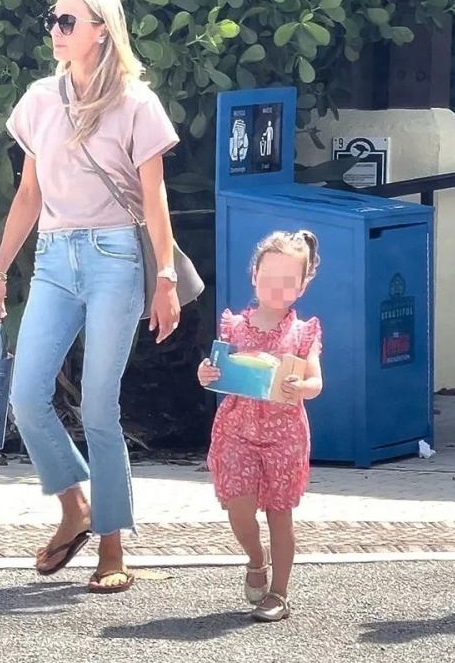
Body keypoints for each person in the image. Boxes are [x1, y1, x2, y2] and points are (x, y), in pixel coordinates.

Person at [0, 0, 183, 593]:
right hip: (53, 258)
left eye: (67, 21)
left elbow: (154, 197)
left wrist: (166, 276)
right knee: (26, 396)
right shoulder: (40, 99)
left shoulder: (137, 103)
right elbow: (27, 193)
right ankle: (75, 507)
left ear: (101, 30)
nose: (55, 30)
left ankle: (113, 547)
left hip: (116, 257)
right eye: (53, 19)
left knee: (99, 405)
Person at [196, 230, 324, 622]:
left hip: (285, 434)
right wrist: (205, 373)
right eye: (269, 277)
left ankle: (279, 593)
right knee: (238, 508)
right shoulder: (234, 326)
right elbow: (214, 371)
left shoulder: (303, 333)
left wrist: (301, 386)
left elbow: (316, 382)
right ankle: (256, 557)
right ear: (254, 275)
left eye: (288, 280)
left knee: (280, 514)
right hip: (237, 428)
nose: (277, 288)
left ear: (302, 286)